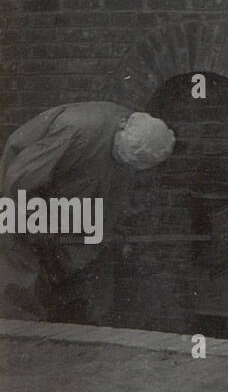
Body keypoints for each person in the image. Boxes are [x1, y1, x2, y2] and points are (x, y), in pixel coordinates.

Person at [0, 102, 175, 322]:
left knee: (78, 257)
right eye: (123, 157)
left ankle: (70, 326)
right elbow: (19, 181)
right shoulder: (76, 130)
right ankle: (24, 332)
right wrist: (36, 223)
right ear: (121, 130)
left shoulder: (135, 131)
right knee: (20, 263)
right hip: (24, 193)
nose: (126, 165)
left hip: (68, 196)